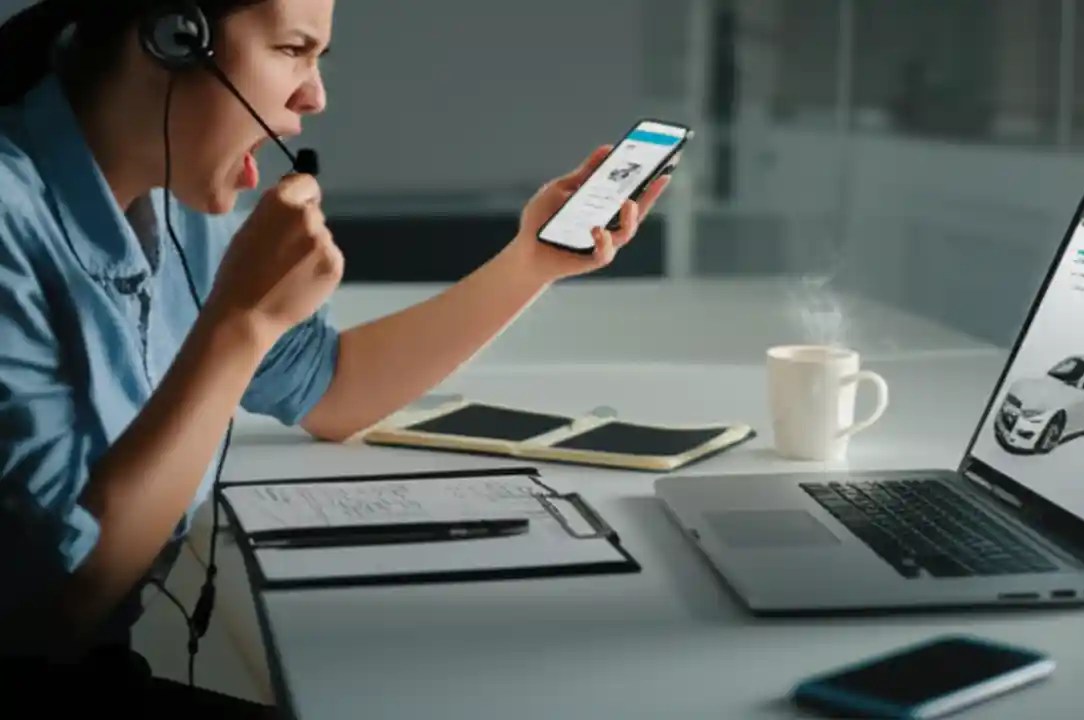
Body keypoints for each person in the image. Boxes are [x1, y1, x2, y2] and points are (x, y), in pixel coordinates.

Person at [0, 0, 671, 715]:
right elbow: (56, 603)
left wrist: (528, 264)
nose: (313, 96)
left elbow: (331, 389)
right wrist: (241, 324)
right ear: (173, 36)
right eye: (293, 49)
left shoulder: (180, 206)